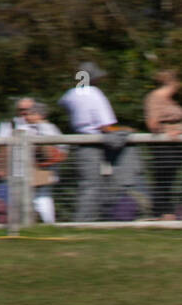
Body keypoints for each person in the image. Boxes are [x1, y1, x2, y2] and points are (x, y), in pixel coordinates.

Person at [59, 61, 143, 222]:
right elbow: (106, 126)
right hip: (95, 144)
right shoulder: (95, 94)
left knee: (87, 184)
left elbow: (62, 103)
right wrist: (125, 131)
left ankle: (88, 220)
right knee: (93, 186)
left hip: (80, 143)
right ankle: (83, 222)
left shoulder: (70, 94)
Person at [0, 98, 66, 224]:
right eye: (23, 111)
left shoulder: (46, 127)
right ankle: (23, 224)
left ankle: (48, 223)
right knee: (22, 198)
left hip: (42, 170)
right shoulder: (13, 124)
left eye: (30, 112)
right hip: (21, 169)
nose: (26, 114)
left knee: (42, 197)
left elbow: (60, 148)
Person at [143, 69, 182, 220]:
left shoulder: (171, 100)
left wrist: (181, 129)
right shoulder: (155, 98)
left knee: (170, 180)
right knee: (163, 179)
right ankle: (162, 212)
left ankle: (168, 212)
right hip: (164, 146)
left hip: (176, 147)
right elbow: (152, 123)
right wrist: (166, 132)